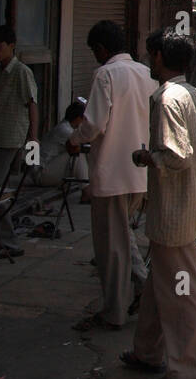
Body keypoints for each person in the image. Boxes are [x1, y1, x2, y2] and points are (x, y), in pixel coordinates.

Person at [123, 31, 196, 379]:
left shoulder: (167, 98)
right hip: (186, 205)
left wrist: (148, 157)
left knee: (181, 293)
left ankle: (184, 371)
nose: (149, 59)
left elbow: (179, 156)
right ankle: (146, 352)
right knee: (159, 284)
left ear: (161, 56)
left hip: (173, 212)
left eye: (151, 54)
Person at [67, 21, 156, 332]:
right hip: (139, 174)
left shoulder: (106, 75)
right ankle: (142, 289)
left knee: (111, 248)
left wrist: (75, 138)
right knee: (124, 238)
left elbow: (94, 124)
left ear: (102, 50)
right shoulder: (147, 75)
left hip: (112, 174)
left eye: (95, 51)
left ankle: (114, 311)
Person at [0, 25, 39, 257]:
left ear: (11, 45)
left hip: (9, 139)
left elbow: (32, 104)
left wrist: (33, 140)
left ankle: (8, 242)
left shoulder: (21, 72)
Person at [31, 101, 89, 187]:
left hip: (45, 169)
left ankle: (87, 186)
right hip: (40, 174)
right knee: (78, 155)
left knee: (79, 153)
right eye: (83, 119)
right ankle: (86, 190)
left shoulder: (67, 127)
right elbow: (80, 146)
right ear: (77, 118)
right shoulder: (64, 130)